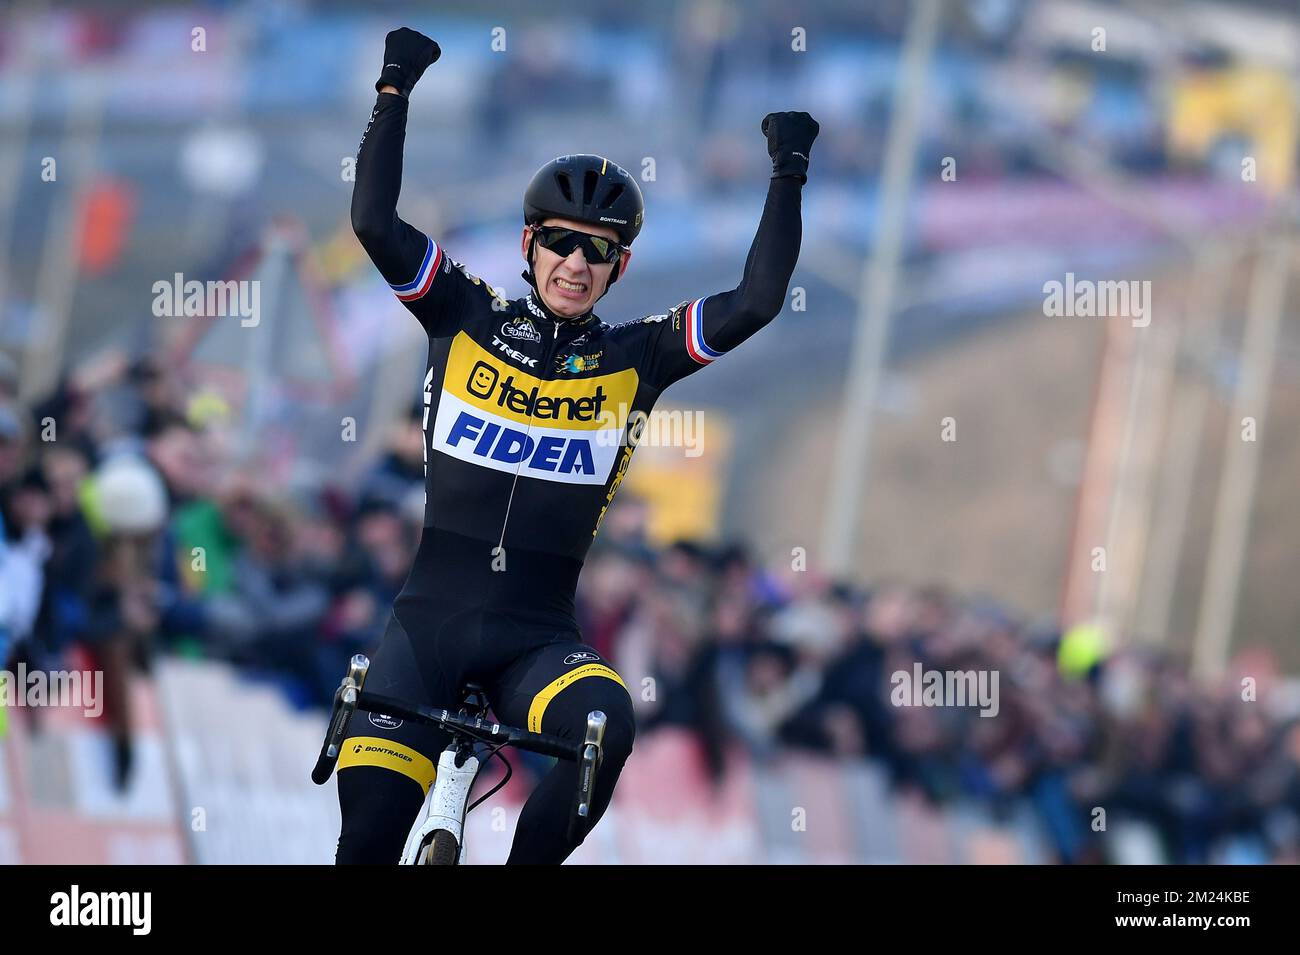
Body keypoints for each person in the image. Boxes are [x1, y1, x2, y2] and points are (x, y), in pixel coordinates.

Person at [338, 26, 818, 864]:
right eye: (560, 240)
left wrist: (787, 171)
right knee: (367, 844)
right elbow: (373, 220)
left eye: (598, 250)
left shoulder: (639, 356)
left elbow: (757, 300)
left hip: (538, 639)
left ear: (619, 267)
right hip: (428, 628)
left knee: (605, 723)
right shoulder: (463, 313)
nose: (575, 261)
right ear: (530, 246)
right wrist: (395, 89)